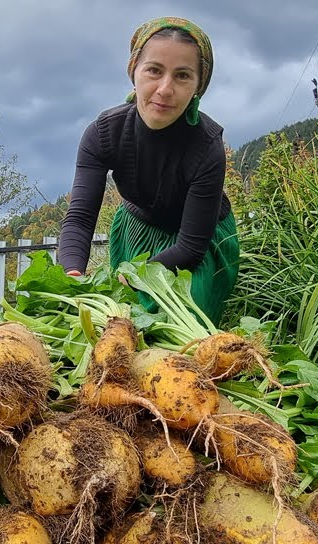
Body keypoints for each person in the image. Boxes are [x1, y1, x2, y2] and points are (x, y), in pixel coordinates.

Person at [57, 16, 240, 324]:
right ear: (134, 72)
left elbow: (190, 246)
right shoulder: (104, 133)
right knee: (125, 323)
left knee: (181, 324)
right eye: (154, 70)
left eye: (182, 76)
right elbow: (79, 218)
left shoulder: (207, 146)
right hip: (137, 229)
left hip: (199, 242)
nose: (165, 89)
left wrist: (140, 275)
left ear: (198, 86)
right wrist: (72, 272)